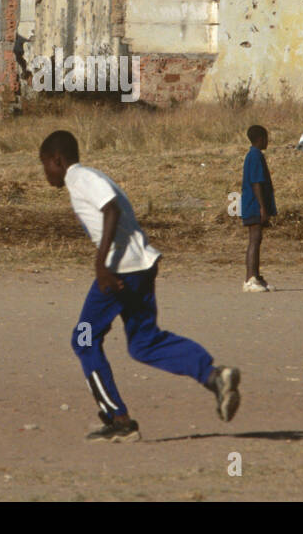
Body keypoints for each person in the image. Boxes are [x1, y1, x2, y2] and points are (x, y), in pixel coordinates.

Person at [40, 130, 240, 442]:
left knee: (83, 339)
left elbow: (111, 209)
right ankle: (214, 377)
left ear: (57, 160)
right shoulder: (89, 177)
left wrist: (101, 264)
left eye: (45, 167)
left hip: (120, 271)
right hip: (141, 267)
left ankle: (119, 420)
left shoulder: (79, 178)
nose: (45, 174)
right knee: (143, 343)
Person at [241, 124, 276, 293]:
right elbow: (256, 183)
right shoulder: (254, 156)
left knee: (257, 238)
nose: (268, 141)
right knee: (254, 239)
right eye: (266, 138)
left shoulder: (255, 155)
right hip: (254, 204)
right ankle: (250, 279)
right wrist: (263, 207)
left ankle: (256, 276)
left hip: (255, 204)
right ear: (260, 138)